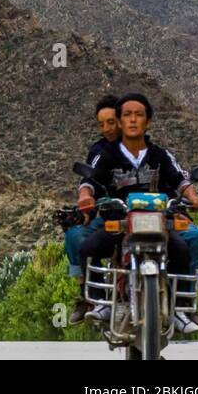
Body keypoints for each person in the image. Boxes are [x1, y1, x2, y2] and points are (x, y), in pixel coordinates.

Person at [77, 92, 198, 333]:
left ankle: (182, 308)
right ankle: (98, 301)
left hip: (158, 221)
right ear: (120, 121)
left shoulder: (160, 155)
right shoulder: (107, 155)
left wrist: (194, 197)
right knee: (89, 248)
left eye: (139, 115)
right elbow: (89, 182)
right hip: (121, 220)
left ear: (148, 121)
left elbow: (180, 180)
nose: (133, 120)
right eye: (127, 115)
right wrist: (85, 197)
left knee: (180, 249)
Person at [66, 96, 123, 324]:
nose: (106, 128)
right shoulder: (99, 151)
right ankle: (90, 296)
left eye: (111, 122)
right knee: (75, 235)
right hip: (109, 217)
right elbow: (89, 180)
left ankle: (181, 302)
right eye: (101, 124)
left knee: (189, 237)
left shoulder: (144, 149)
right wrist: (85, 199)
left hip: (145, 217)